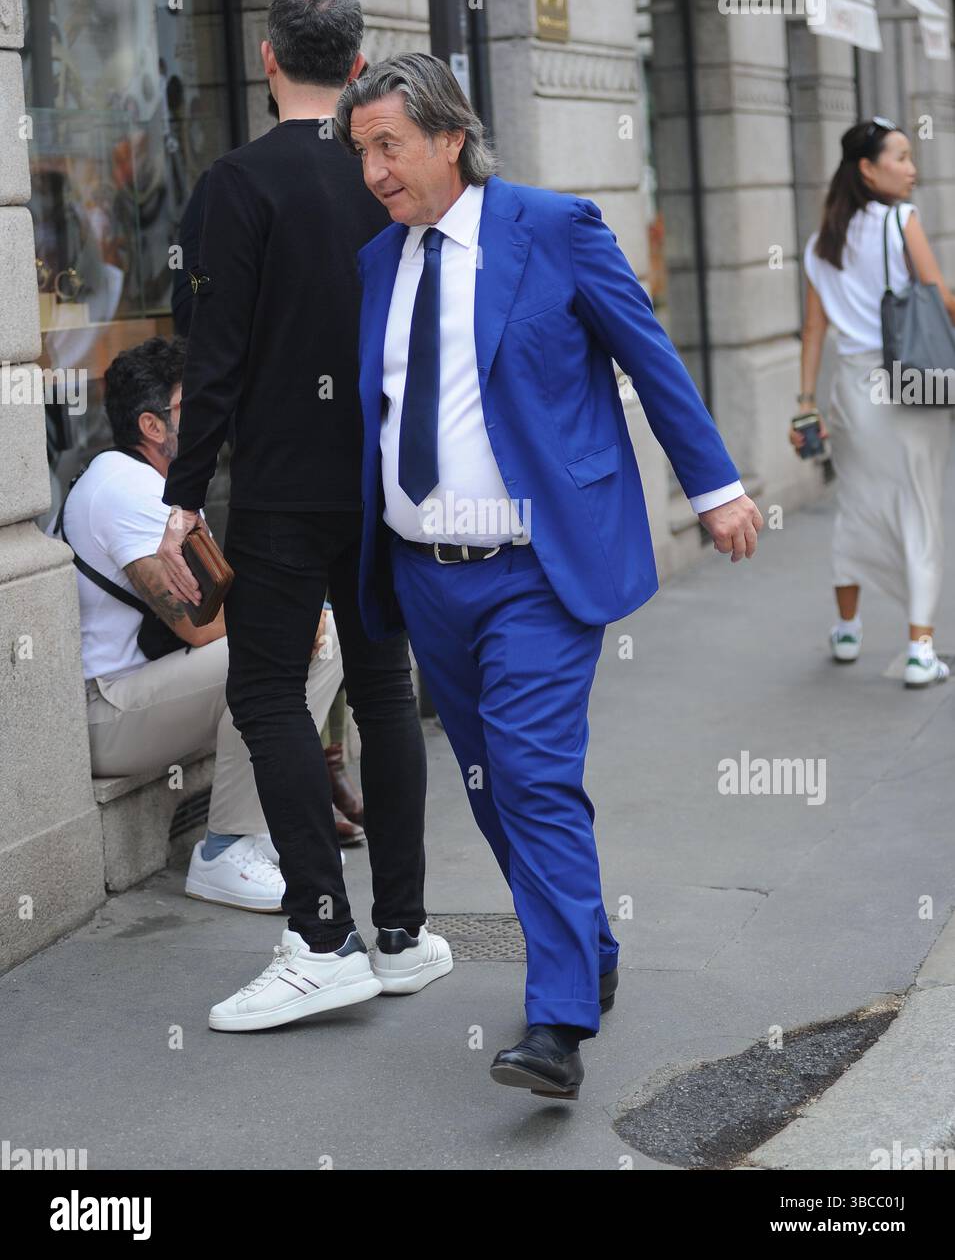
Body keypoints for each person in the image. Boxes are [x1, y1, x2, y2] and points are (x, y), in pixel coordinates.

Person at [335, 53, 763, 1100]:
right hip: (424, 573)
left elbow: (647, 355)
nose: (375, 173)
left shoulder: (551, 228)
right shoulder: (377, 266)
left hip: (535, 565)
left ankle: (557, 1022)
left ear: (449, 136)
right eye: (361, 155)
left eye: (388, 146)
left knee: (528, 778)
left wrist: (715, 484)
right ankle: (587, 950)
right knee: (491, 789)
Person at [155, 0, 452, 1034]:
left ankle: (323, 936)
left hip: (281, 488)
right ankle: (405, 933)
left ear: (268, 59)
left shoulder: (238, 183)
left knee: (269, 693)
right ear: (358, 57)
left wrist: (183, 496)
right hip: (380, 485)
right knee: (381, 689)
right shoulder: (388, 174)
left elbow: (214, 357)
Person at [55, 336, 350, 912]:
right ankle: (223, 849)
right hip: (107, 713)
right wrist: (293, 620)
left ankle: (263, 825)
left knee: (310, 633)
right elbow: (195, 620)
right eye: (193, 404)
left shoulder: (154, 481)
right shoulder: (125, 487)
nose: (217, 410)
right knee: (298, 644)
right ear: (153, 425)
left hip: (145, 695)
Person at [794, 118, 955, 688]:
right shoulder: (900, 219)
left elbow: (813, 331)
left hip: (852, 393)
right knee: (920, 510)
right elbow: (937, 297)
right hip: (912, 384)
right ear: (868, 168)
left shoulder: (821, 243)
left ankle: (848, 630)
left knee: (858, 505)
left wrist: (805, 404)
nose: (913, 169)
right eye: (902, 157)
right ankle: (919, 649)